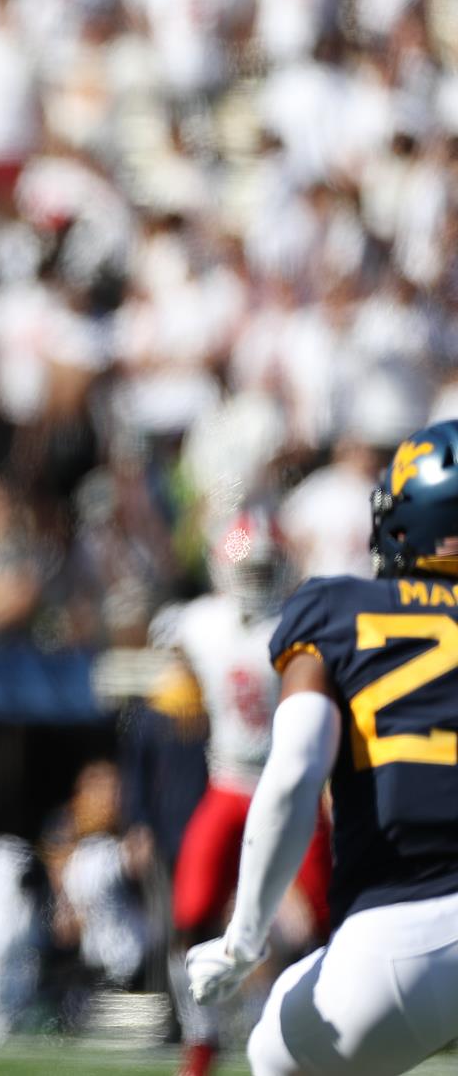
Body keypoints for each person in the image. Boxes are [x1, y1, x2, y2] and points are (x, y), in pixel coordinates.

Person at [187, 421, 458, 1075]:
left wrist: (245, 935)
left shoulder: (336, 607)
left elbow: (296, 768)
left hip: (405, 929)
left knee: (274, 1051)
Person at [158, 505, 330, 1076]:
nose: (257, 582)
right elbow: (159, 640)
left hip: (288, 787)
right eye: (247, 570)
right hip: (228, 784)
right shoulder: (201, 623)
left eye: (265, 570)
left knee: (323, 922)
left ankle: (315, 1033)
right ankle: (202, 1040)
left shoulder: (299, 622)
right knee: (191, 914)